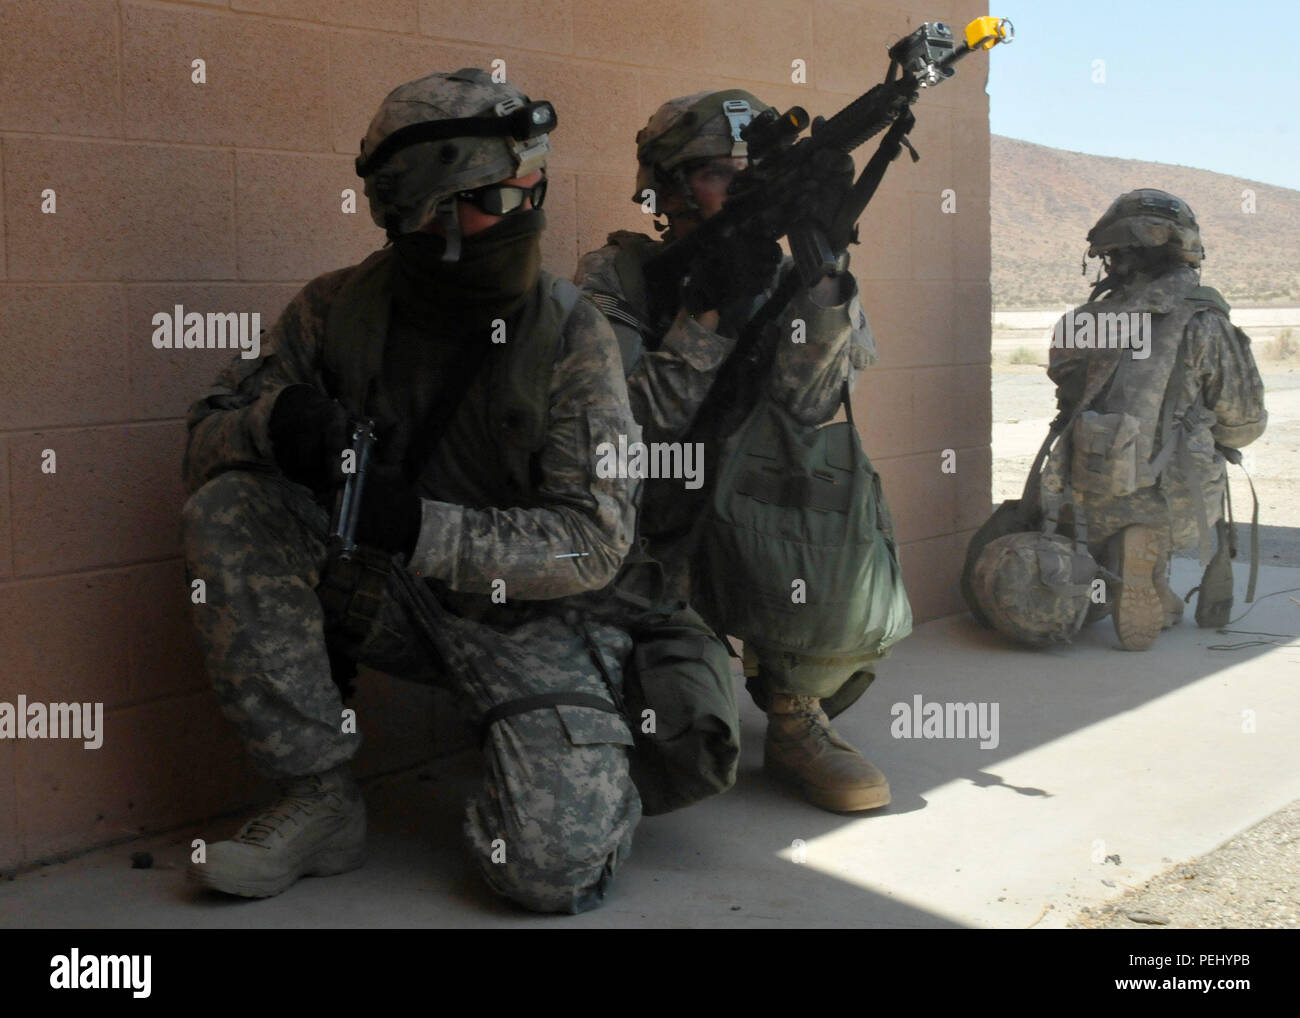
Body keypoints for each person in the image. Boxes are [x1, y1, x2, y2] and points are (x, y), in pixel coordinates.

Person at [179, 68, 644, 914]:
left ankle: (564, 745)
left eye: (531, 190)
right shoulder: (336, 311)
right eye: (495, 199)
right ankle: (316, 797)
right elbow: (204, 438)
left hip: (519, 619)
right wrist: (275, 423)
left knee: (549, 874)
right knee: (232, 508)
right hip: (377, 593)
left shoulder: (573, 334)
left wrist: (422, 526)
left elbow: (596, 541)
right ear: (420, 214)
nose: (524, 216)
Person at [574, 90, 888, 813]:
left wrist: (823, 280)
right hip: (643, 531)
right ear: (670, 188)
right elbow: (626, 436)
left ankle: (793, 706)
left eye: (754, 171)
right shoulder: (612, 279)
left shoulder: (785, 280)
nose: (741, 186)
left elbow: (812, 407)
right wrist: (706, 316)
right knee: (679, 738)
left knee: (831, 484)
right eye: (720, 172)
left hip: (746, 515)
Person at [985, 189, 1267, 651]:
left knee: (1103, 489)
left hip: (1081, 501)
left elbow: (1066, 395)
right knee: (1181, 469)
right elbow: (1244, 423)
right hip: (1178, 507)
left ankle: (1118, 570)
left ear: (1113, 255)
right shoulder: (1206, 323)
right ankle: (1150, 569)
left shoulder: (1081, 322)